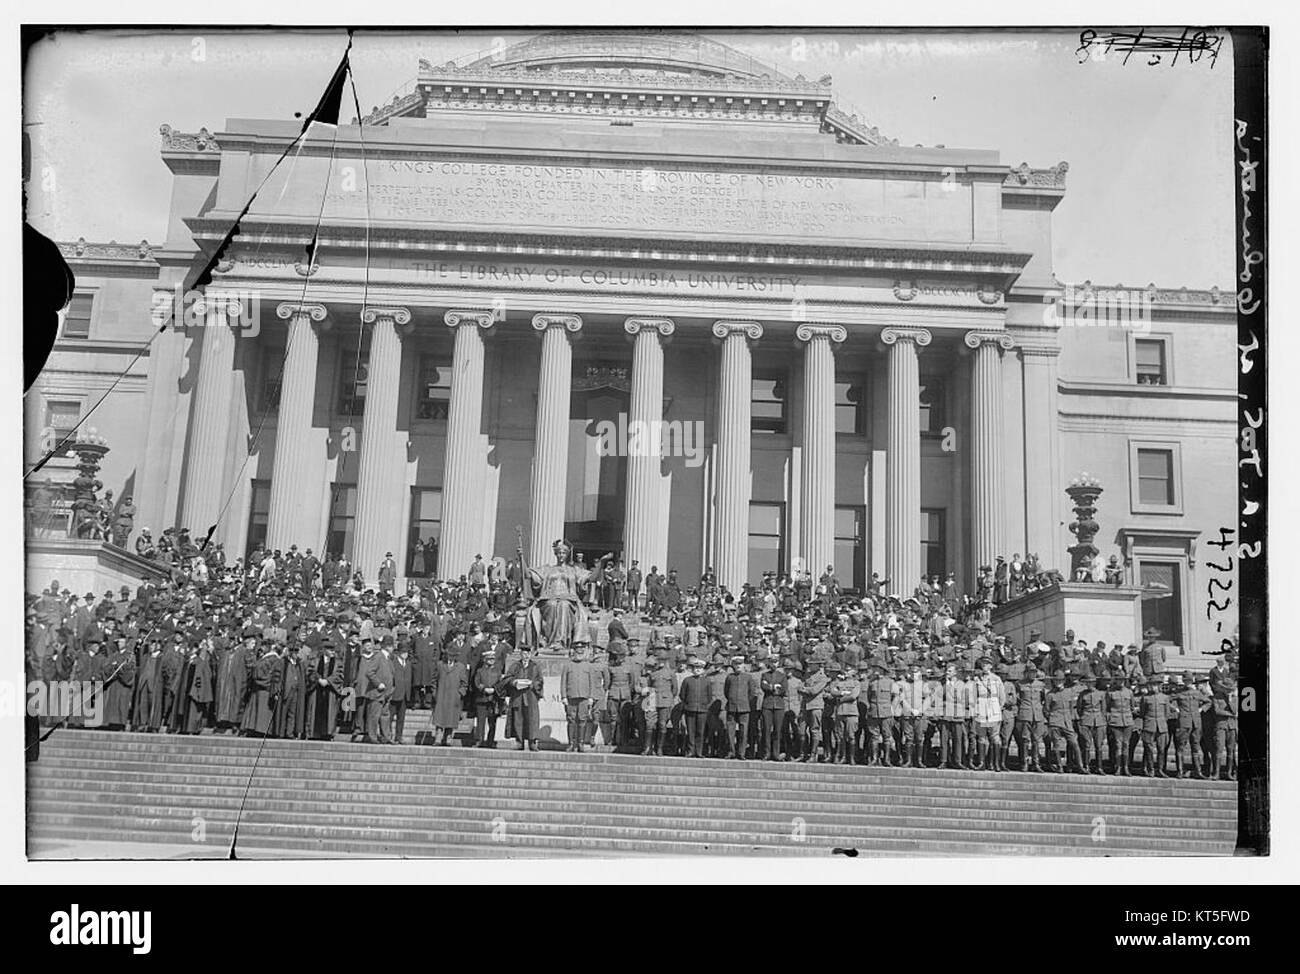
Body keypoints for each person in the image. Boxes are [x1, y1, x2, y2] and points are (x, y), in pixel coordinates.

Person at [501, 646, 544, 751]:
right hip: (518, 696)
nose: (526, 656)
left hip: (531, 696)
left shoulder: (535, 666)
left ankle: (532, 742)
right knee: (518, 719)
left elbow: (540, 680)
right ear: (520, 654)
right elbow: (507, 678)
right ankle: (519, 742)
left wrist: (533, 684)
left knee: (532, 720)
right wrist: (514, 682)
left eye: (528, 654)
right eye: (524, 654)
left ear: (530, 654)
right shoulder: (515, 665)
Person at [470, 644, 504, 748]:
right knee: (481, 722)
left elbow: (500, 684)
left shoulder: (497, 671)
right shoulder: (480, 671)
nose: (491, 661)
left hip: (493, 700)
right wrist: (483, 688)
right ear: (485, 660)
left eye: (493, 659)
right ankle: (479, 740)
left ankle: (490, 741)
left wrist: (494, 689)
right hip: (481, 699)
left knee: (492, 722)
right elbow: (476, 682)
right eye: (489, 659)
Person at [430, 651, 467, 746]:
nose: (451, 658)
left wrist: (460, 693)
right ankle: (438, 736)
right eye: (449, 655)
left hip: (453, 697)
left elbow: (464, 683)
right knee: (439, 716)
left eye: (453, 656)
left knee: (451, 718)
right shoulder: (440, 665)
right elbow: (434, 680)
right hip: (441, 695)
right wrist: (435, 693)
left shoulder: (461, 667)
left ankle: (448, 737)